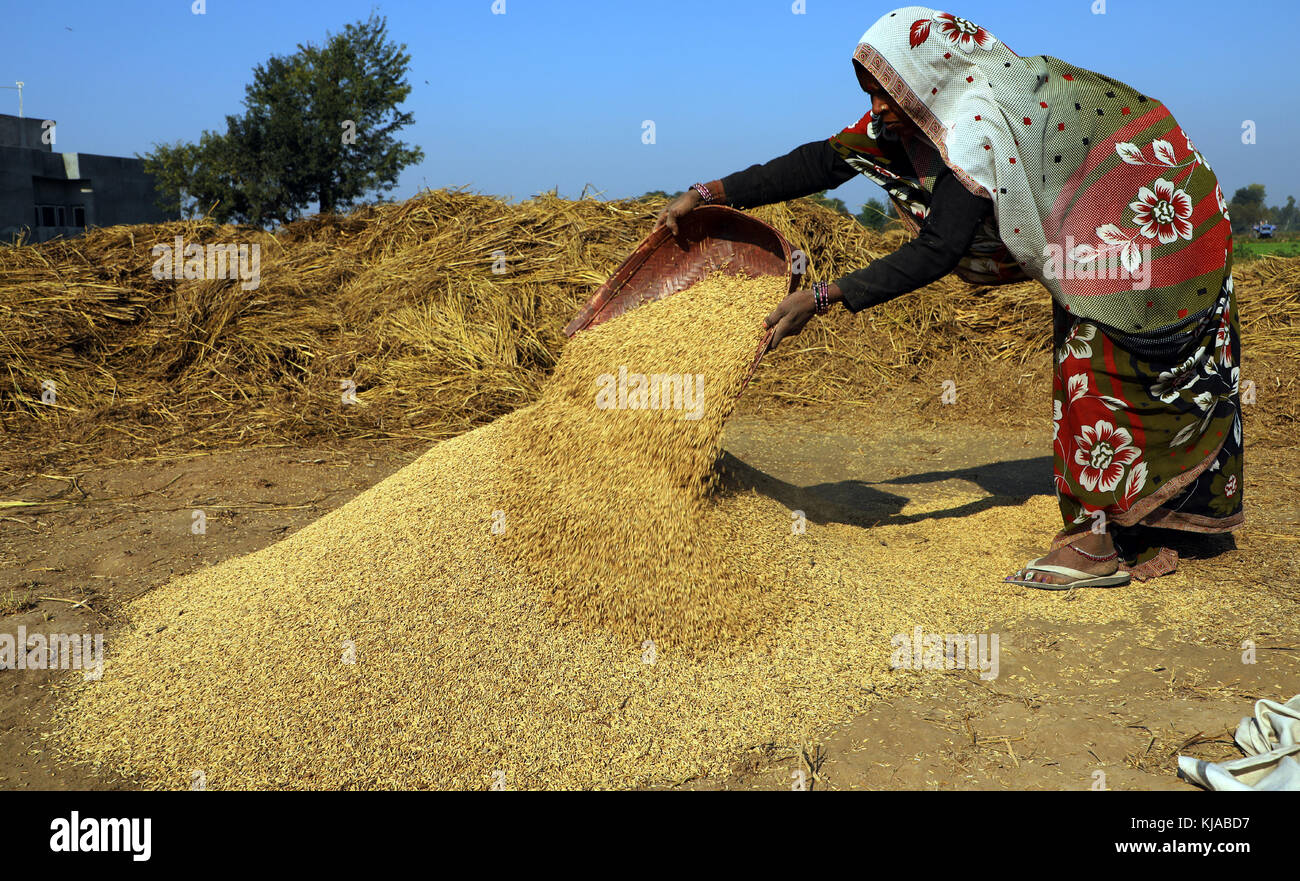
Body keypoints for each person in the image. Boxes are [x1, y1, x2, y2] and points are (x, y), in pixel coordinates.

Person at [654, 6, 1242, 589]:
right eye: (871, 92)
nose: (879, 107)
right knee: (1126, 366)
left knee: (1098, 363)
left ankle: (1096, 542)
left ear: (927, 73)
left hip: (1151, 216)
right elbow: (823, 162)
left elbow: (937, 250)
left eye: (886, 91)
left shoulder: (976, 129)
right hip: (1106, 217)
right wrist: (709, 194)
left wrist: (825, 297)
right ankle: (1164, 518)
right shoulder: (918, 115)